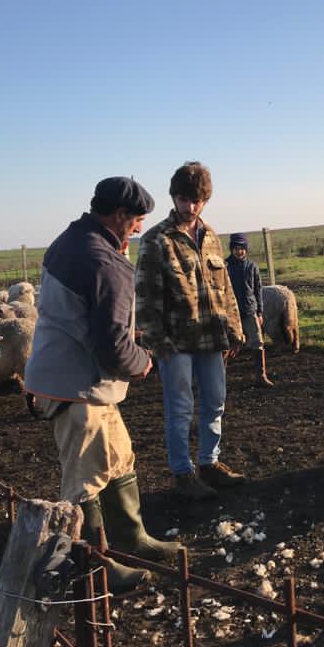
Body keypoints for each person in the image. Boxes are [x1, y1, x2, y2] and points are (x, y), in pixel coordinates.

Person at [25, 176, 180, 593]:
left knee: (119, 456)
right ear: (118, 216)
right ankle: (92, 562)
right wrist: (141, 361)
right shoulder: (105, 262)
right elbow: (112, 347)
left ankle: (132, 538)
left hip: (70, 377)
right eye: (136, 221)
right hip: (79, 388)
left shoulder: (69, 241)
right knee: (83, 479)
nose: (139, 229)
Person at [135, 161, 247, 501]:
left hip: (212, 337)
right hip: (176, 342)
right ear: (174, 197)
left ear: (205, 200)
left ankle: (209, 463)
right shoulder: (157, 240)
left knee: (215, 401)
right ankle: (183, 472)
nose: (191, 206)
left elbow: (224, 287)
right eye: (185, 199)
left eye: (198, 200)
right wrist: (157, 342)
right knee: (180, 407)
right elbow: (146, 296)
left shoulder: (212, 237)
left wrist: (235, 329)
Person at [225, 232, 273, 387]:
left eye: (242, 248)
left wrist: (259, 312)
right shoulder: (225, 266)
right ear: (231, 249)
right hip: (231, 313)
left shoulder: (252, 266)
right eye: (237, 248)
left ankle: (261, 376)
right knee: (226, 345)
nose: (240, 251)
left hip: (249, 310)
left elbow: (258, 290)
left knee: (258, 343)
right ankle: (221, 379)